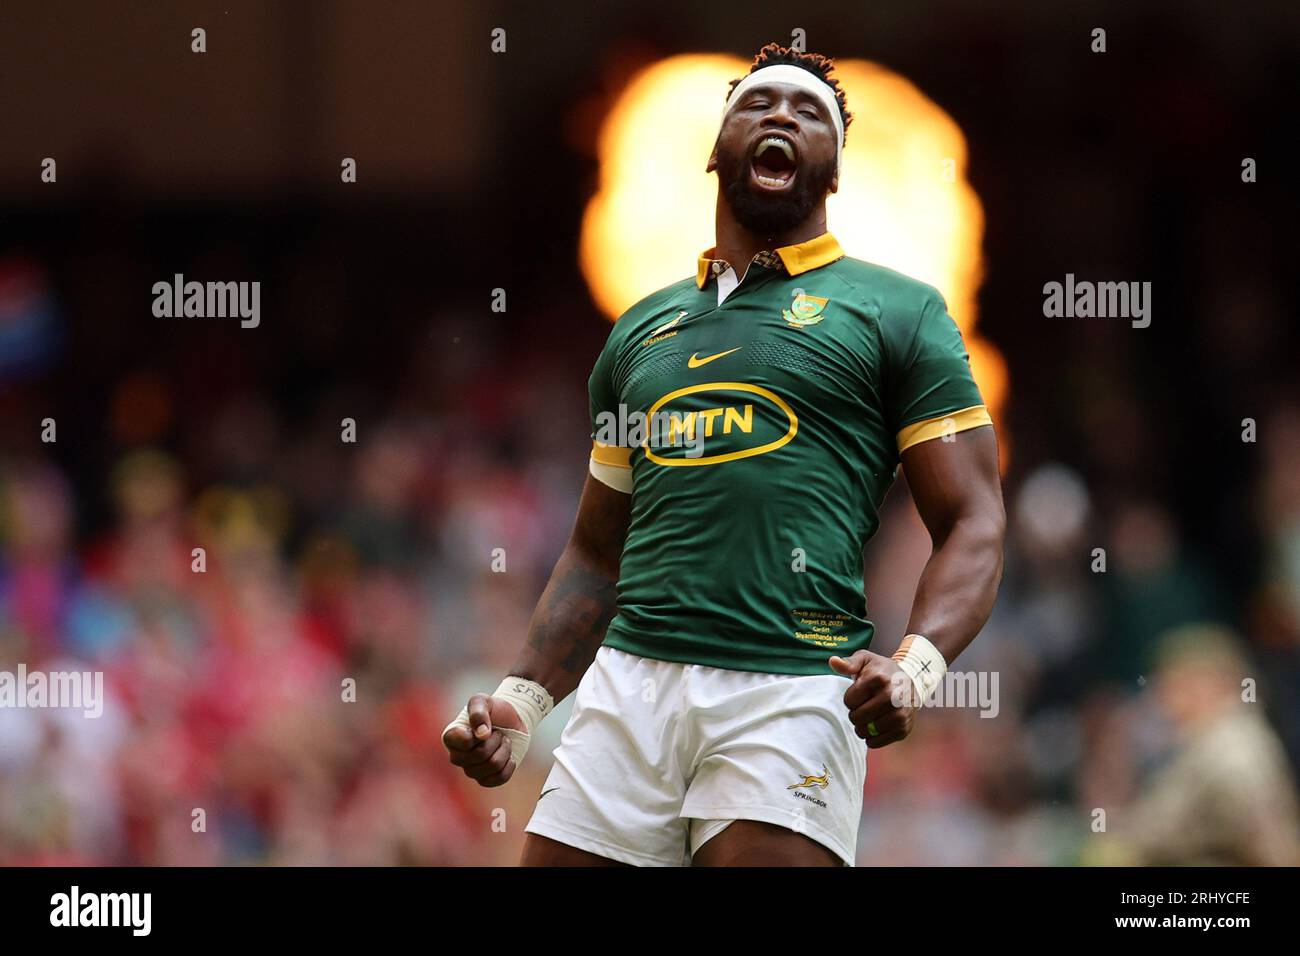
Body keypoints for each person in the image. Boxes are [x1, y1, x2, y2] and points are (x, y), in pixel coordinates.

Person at [443, 42, 1005, 867]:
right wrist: (521, 702)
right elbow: (597, 554)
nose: (782, 116)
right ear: (714, 151)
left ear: (836, 172)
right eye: (757, 104)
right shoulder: (639, 331)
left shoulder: (901, 312)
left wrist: (915, 667)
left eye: (809, 112)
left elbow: (974, 520)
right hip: (627, 688)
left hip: (790, 688)